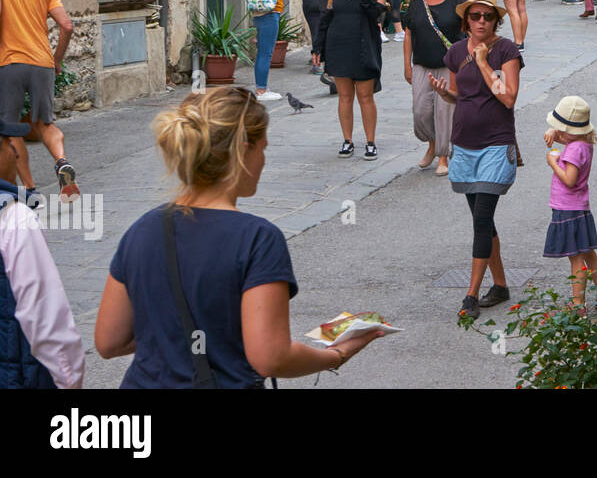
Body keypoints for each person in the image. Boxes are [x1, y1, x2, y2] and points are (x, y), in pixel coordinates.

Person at [95, 87, 382, 386]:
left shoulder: (142, 229)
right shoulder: (257, 239)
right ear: (243, 150)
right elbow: (270, 356)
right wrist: (337, 355)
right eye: (263, 149)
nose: (264, 161)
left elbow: (108, 341)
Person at [430, 0, 523, 319]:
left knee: (482, 218)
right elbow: (460, 95)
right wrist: (446, 93)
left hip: (497, 145)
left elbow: (508, 98)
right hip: (464, 145)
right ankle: (500, 284)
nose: (481, 21)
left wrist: (484, 63)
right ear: (466, 20)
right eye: (475, 16)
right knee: (482, 220)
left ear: (496, 20)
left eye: (488, 16)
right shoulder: (456, 52)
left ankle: (470, 295)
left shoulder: (506, 51)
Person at [0, 122, 83, 388]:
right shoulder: (13, 219)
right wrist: (70, 380)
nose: (14, 152)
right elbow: (45, 316)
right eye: (7, 143)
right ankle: (59, 164)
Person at [0, 0, 76, 199]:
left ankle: (30, 191)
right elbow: (66, 25)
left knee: (11, 129)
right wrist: (57, 59)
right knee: (45, 124)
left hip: (9, 62)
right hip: (42, 63)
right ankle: (62, 162)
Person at [312, 0, 388, 160]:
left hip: (364, 45)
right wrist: (318, 47)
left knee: (365, 96)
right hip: (339, 46)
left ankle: (370, 141)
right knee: (344, 96)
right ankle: (347, 140)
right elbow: (326, 19)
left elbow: (375, 12)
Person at [540, 96, 597, 311]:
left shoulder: (572, 150)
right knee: (589, 254)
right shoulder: (584, 144)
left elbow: (569, 180)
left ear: (567, 131)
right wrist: (556, 134)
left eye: (559, 129)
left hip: (567, 209)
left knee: (576, 259)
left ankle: (578, 304)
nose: (556, 132)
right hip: (581, 208)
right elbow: (572, 140)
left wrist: (553, 162)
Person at [403, 0, 465, 175]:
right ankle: (431, 143)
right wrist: (407, 65)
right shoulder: (417, 2)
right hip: (422, 64)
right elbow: (408, 33)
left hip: (448, 66)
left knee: (444, 111)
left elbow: (465, 33)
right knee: (420, 111)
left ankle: (442, 156)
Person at [249, 0, 284, 103]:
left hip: (269, 14)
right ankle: (261, 90)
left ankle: (261, 87)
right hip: (268, 14)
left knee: (264, 51)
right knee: (265, 52)